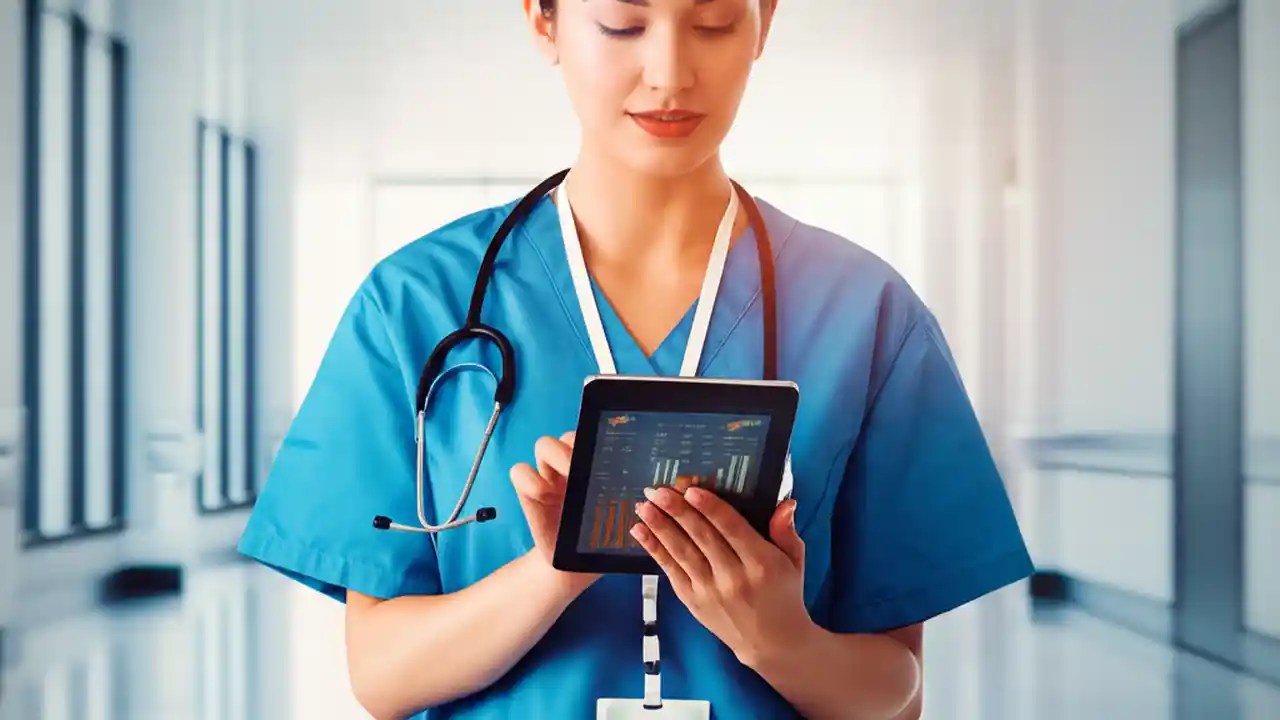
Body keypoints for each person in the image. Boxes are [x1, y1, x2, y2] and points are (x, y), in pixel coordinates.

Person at [236, 1, 1035, 718]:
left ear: (765, 20)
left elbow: (896, 695)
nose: (670, 72)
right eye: (623, 24)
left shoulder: (866, 313)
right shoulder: (416, 304)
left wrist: (780, 638)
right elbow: (381, 675)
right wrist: (552, 570)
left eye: (714, 23)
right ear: (543, 19)